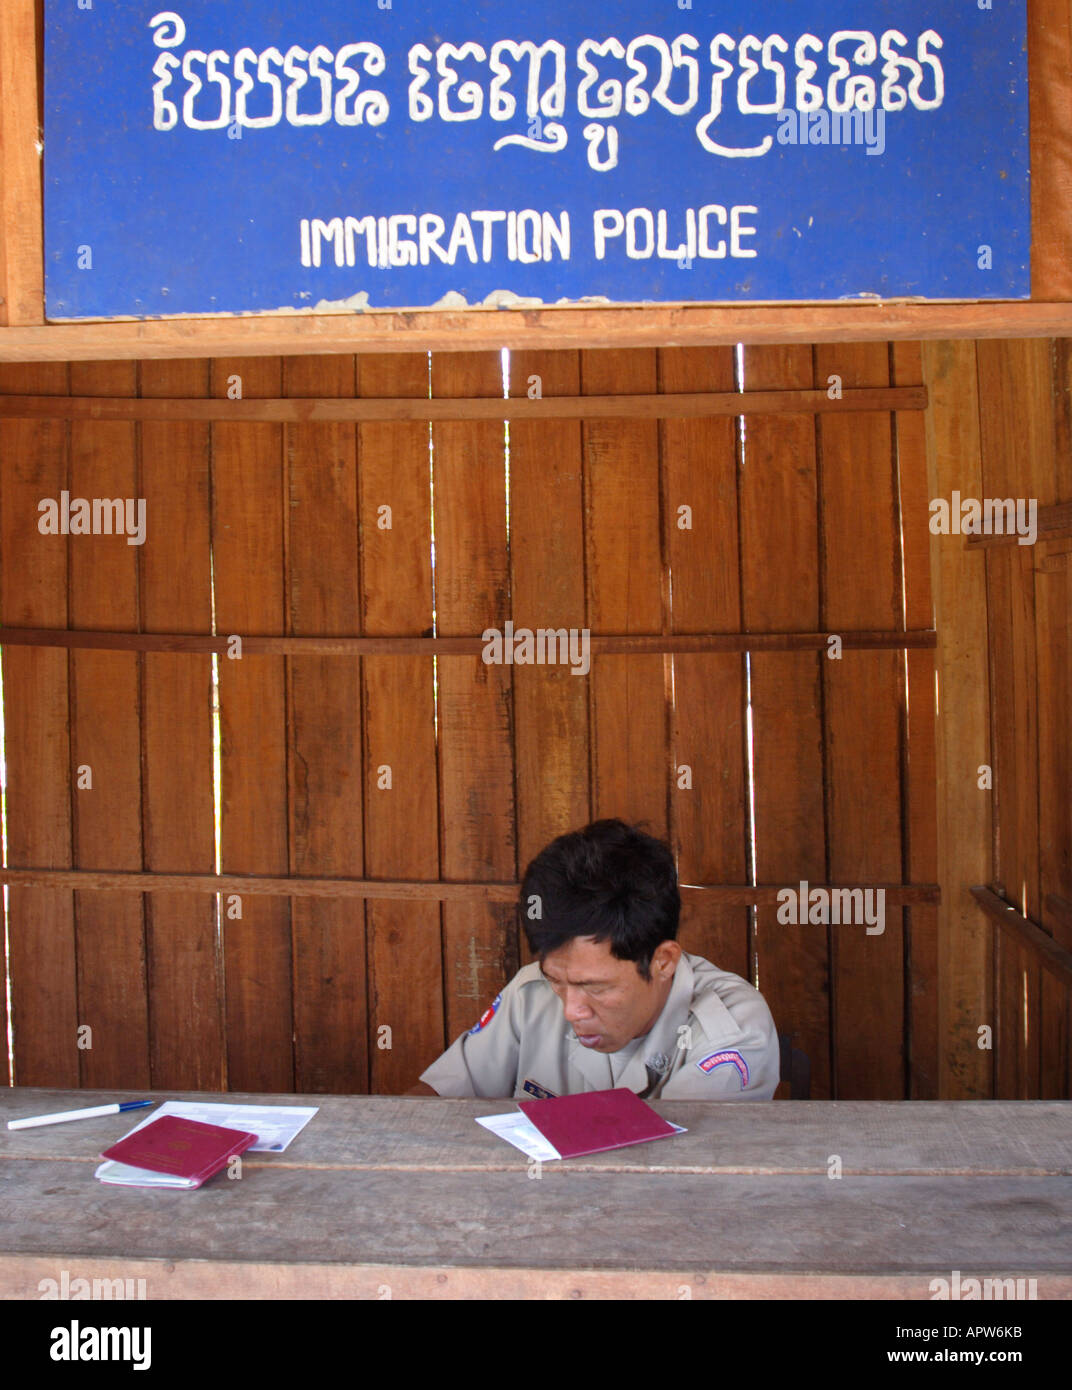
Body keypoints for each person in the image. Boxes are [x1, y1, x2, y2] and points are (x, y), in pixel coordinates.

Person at [409, 819, 780, 1101]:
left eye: (596, 988)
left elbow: (674, 1173)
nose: (571, 1011)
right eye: (556, 979)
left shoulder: (731, 1030)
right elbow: (436, 1101)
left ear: (663, 962)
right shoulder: (531, 993)